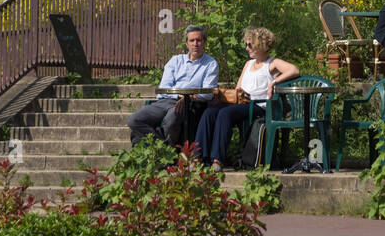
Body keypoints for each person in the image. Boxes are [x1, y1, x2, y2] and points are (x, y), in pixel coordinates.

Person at [195, 26, 299, 170]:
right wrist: (225, 97)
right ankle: (198, 157)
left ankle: (217, 160)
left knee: (225, 114)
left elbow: (294, 70)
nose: (246, 48)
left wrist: (273, 82)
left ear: (260, 45)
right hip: (242, 103)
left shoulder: (271, 63)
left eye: (249, 44)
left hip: (258, 106)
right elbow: (238, 89)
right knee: (210, 112)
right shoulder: (248, 64)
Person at [127, 25, 218, 145]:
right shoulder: (175, 61)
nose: (195, 44)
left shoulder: (210, 64)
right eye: (192, 40)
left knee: (171, 120)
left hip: (190, 103)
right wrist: (179, 97)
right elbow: (165, 86)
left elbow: (208, 92)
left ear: (205, 42)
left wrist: (187, 98)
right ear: (186, 43)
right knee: (134, 120)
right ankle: (163, 146)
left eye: (199, 40)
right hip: (166, 100)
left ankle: (165, 151)